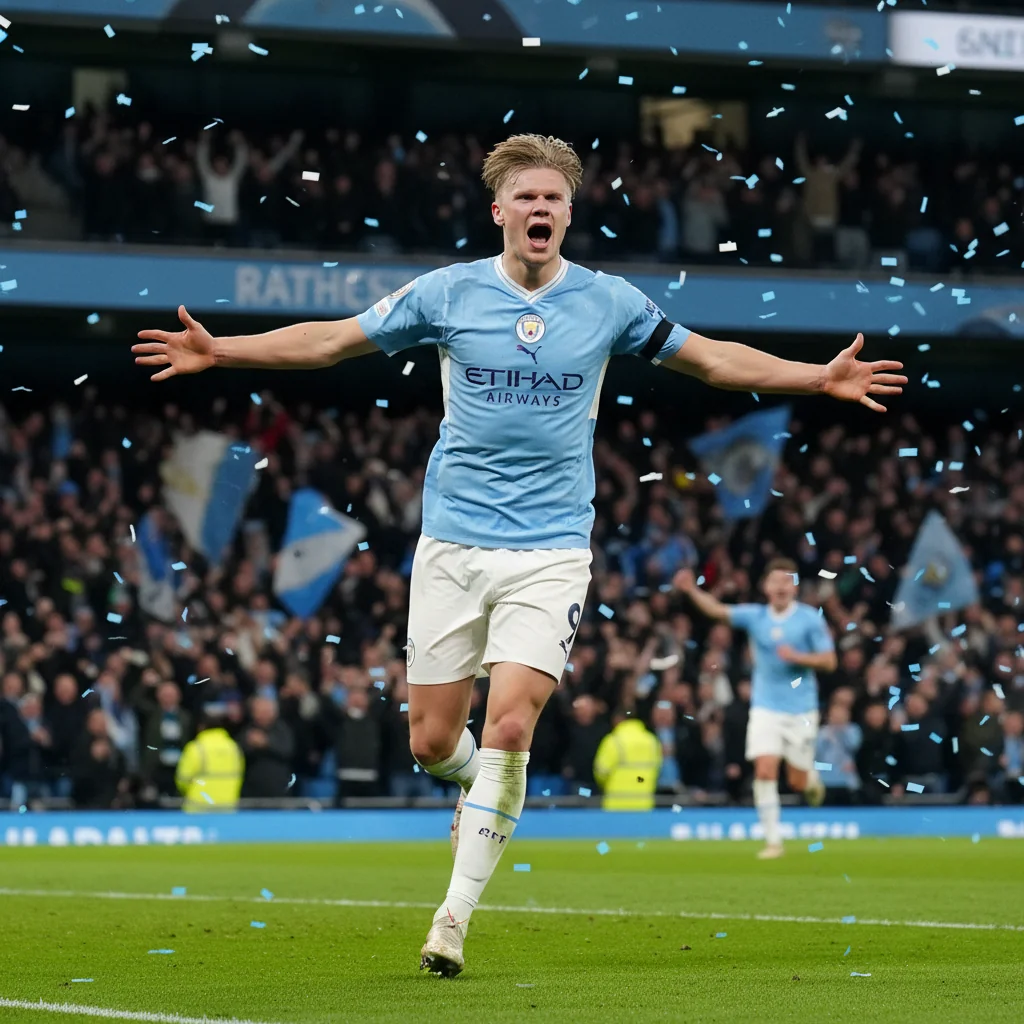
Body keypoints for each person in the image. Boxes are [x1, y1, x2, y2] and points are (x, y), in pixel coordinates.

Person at [132, 133, 905, 976]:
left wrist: (814, 377)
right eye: (526, 198)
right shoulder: (449, 293)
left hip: (551, 550)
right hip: (453, 545)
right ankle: (479, 787)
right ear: (498, 211)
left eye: (554, 199)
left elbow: (714, 361)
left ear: (571, 212)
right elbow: (332, 341)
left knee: (508, 725)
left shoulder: (608, 303)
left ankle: (452, 919)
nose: (540, 210)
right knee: (432, 744)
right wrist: (222, 351)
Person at [675, 558, 838, 858]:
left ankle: (810, 778)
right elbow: (717, 610)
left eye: (787, 581)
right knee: (764, 770)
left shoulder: (809, 619)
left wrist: (798, 657)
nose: (781, 587)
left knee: (797, 781)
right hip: (765, 707)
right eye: (776, 581)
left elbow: (829, 661)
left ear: (795, 587)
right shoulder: (756, 616)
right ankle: (774, 841)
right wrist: (690, 590)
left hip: (801, 709)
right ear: (766, 587)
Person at [593, 708, 662, 810]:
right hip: (644, 803)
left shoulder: (613, 740)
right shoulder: (651, 740)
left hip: (616, 803)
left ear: (618, 720)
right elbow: (657, 769)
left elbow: (601, 772)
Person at [175, 713, 244, 812]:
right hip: (227, 807)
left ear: (201, 727)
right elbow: (240, 775)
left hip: (197, 807)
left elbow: (182, 779)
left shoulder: (196, 748)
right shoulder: (234, 748)